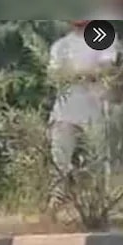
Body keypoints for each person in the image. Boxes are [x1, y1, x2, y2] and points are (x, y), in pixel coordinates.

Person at [48, 19, 121, 178]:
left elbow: (107, 69)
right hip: (64, 112)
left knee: (97, 163)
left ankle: (98, 200)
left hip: (96, 111)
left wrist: (74, 72)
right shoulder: (60, 46)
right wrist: (88, 72)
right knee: (60, 163)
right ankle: (58, 200)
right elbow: (55, 75)